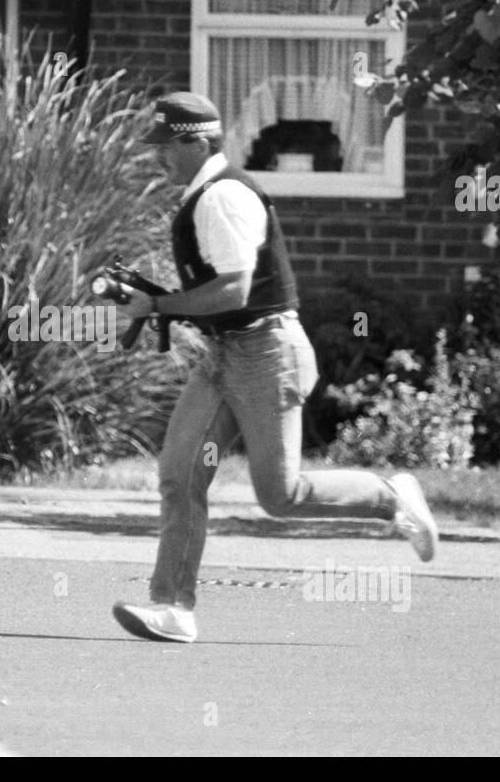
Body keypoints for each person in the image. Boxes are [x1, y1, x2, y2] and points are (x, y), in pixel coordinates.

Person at [111, 92, 439, 644]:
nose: (158, 157)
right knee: (179, 474)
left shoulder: (223, 197)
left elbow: (236, 289)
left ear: (196, 143)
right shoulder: (203, 195)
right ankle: (172, 608)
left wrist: (159, 306)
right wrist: (159, 297)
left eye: (166, 146)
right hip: (227, 353)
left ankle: (393, 497)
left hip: (265, 354)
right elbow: (225, 292)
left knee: (279, 496)